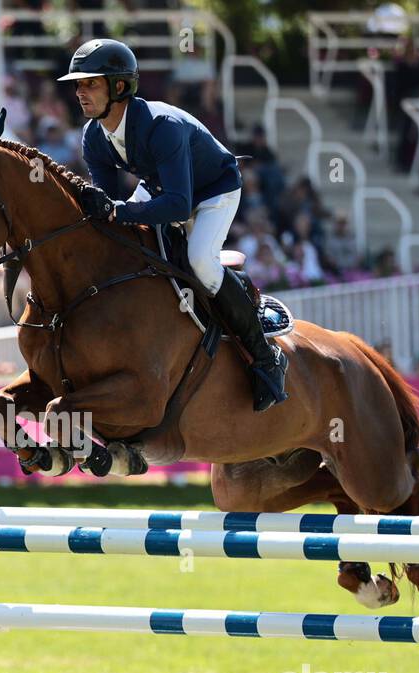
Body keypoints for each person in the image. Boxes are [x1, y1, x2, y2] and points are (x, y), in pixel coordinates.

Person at [59, 38, 286, 410]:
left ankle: (265, 357)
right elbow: (108, 208)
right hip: (162, 189)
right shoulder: (93, 136)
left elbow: (179, 207)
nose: (80, 92)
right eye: (78, 85)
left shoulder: (161, 125)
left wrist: (119, 211)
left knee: (199, 261)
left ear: (119, 87)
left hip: (213, 191)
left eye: (91, 83)